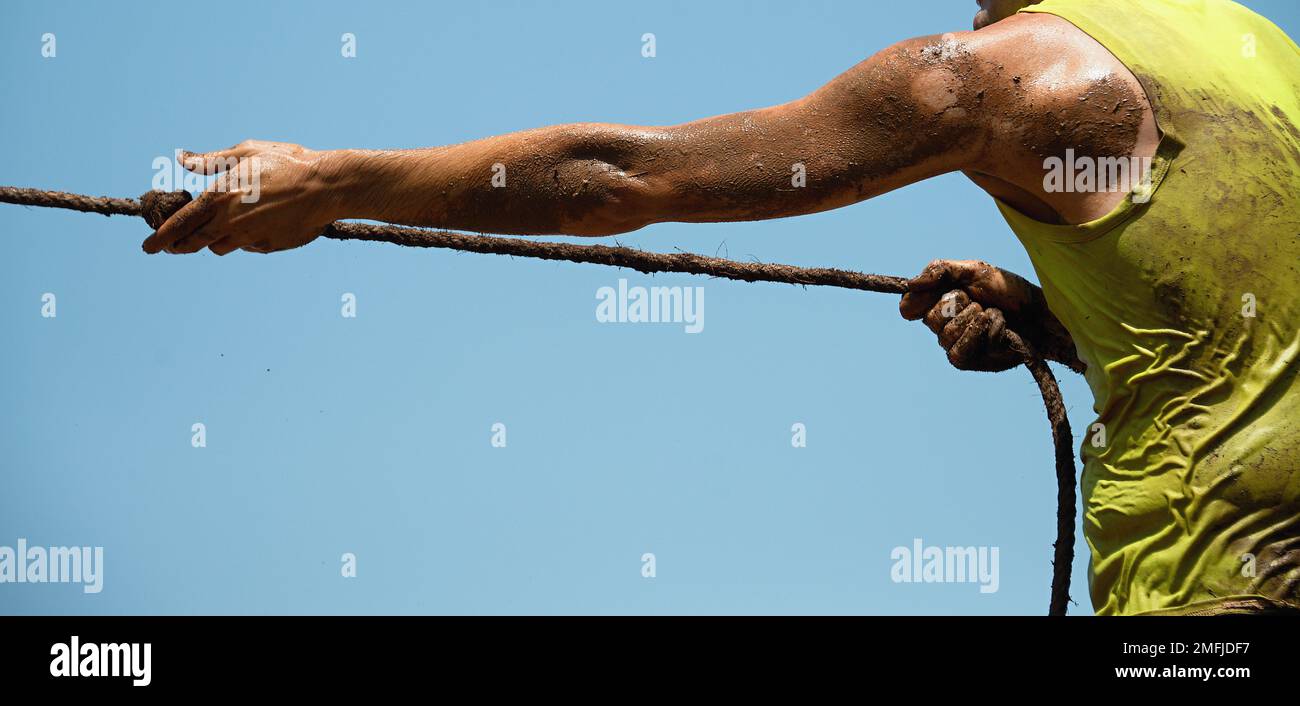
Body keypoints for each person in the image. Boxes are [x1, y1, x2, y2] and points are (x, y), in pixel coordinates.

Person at [140, 0, 1300, 615]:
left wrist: (337, 181)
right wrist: (1058, 323)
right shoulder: (1257, 45)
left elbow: (624, 177)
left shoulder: (989, 74)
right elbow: (1244, 331)